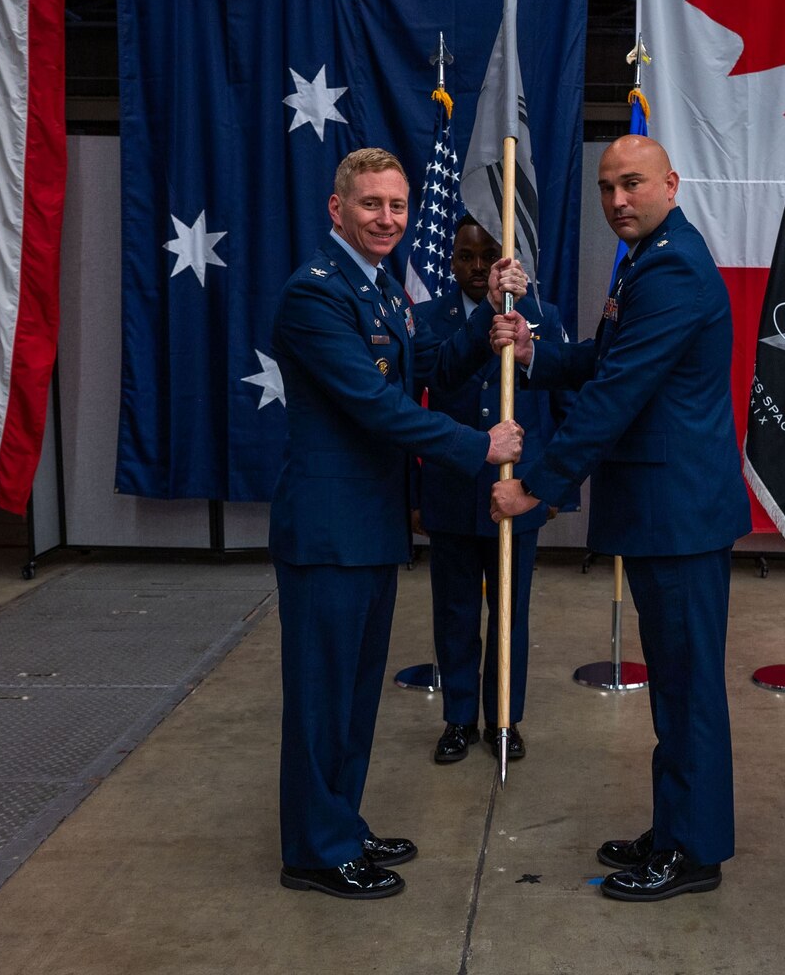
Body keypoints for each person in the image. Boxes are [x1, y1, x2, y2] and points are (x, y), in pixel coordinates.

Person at [489, 135, 751, 902]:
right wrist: (537, 354)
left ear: (671, 183)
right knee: (675, 685)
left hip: (679, 516)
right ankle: (677, 828)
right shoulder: (653, 258)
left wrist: (537, 485)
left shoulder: (671, 266)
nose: (616, 201)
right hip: (664, 512)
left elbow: (617, 394)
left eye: (632, 184)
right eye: (606, 188)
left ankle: (693, 852)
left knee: (687, 690)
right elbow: (609, 358)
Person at [269, 147, 526, 900]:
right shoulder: (315, 296)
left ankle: (340, 824)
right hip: (328, 531)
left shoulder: (379, 289)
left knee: (351, 695)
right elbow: (376, 407)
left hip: (371, 527)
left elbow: (420, 375)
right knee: (322, 697)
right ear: (337, 210)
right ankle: (315, 853)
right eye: (372, 204)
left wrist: (484, 334)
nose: (387, 218)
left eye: (398, 205)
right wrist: (479, 447)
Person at [410, 216, 571, 765]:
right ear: (450, 261)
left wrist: (555, 490)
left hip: (518, 491)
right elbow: (438, 382)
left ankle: (505, 717)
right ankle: (458, 718)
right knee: (454, 613)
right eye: (466, 257)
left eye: (488, 255)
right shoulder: (427, 317)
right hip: (454, 492)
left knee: (510, 612)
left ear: (508, 257)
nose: (478, 267)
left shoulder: (542, 316)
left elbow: (562, 404)